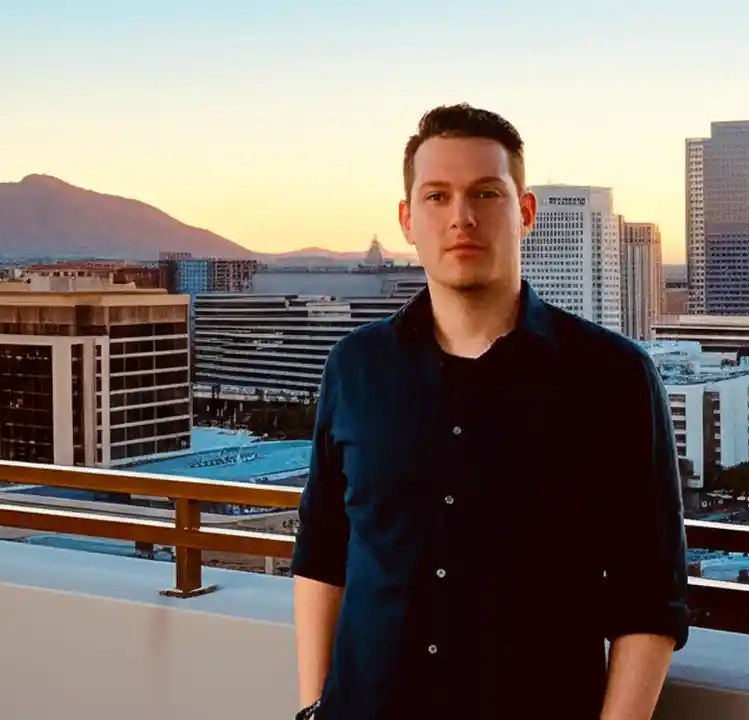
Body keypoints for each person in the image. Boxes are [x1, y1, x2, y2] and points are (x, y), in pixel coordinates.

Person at [292, 103, 689, 720]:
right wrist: (313, 707)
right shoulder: (355, 368)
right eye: (437, 196)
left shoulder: (611, 378)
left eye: (485, 192)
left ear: (524, 212)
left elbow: (649, 597)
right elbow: (322, 551)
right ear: (407, 219)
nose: (462, 218)